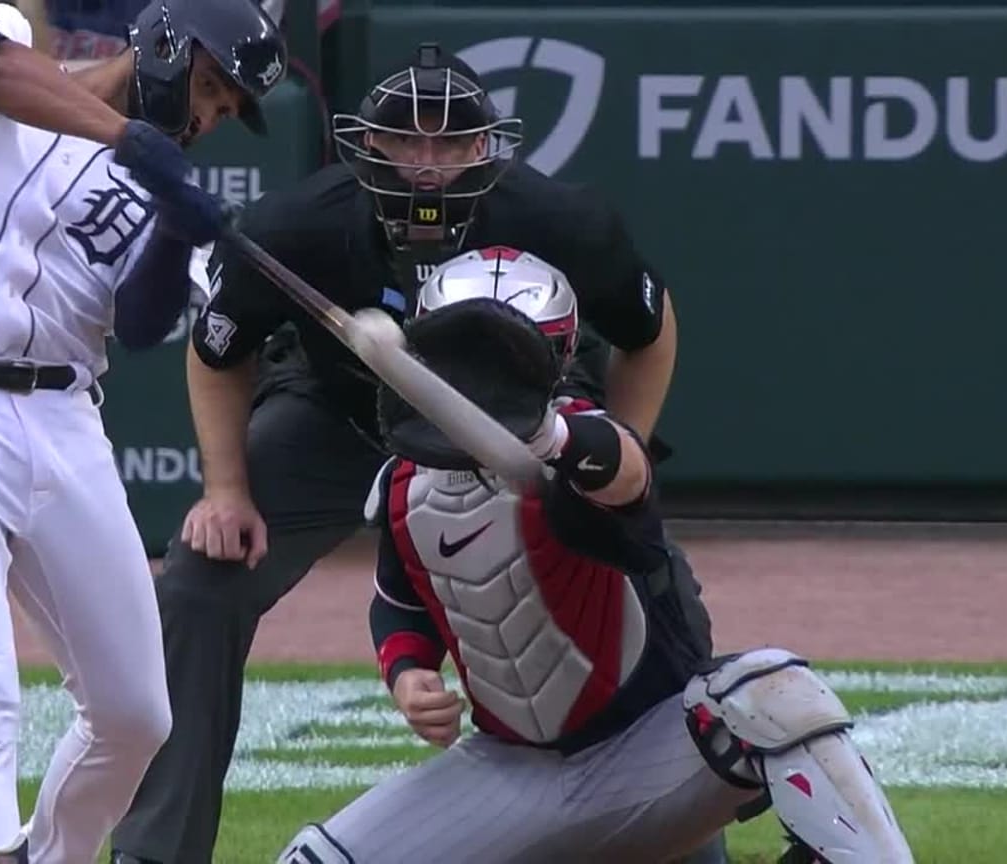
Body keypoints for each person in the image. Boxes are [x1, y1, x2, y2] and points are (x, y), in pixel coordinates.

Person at [111, 42, 727, 864]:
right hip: (340, 412)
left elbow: (650, 331)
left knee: (648, 584)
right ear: (369, 142)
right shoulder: (296, 226)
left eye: (450, 141)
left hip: (517, 418)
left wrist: (625, 462)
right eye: (407, 141)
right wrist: (225, 490)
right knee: (196, 584)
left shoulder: (561, 219)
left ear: (486, 147)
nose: (427, 164)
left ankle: (691, 843)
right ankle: (156, 853)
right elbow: (218, 353)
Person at [276, 246, 917, 864]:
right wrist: (407, 673)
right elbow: (401, 604)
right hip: (509, 770)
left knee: (771, 691)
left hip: (650, 755)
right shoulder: (402, 487)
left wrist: (539, 432)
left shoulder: (585, 444)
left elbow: (623, 471)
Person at [0, 1, 285, 863]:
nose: (208, 117)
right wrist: (132, 141)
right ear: (164, 43)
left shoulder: (152, 180)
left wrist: (172, 217)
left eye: (227, 110)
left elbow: (144, 321)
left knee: (135, 713)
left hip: (61, 421)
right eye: (209, 87)